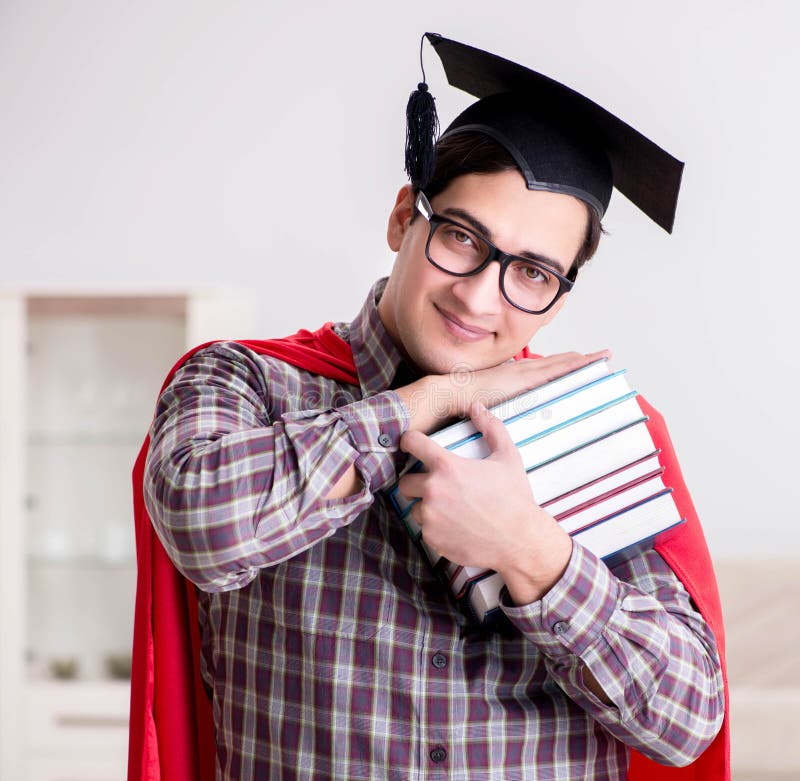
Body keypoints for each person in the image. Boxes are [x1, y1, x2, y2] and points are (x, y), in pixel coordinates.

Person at [130, 33, 728, 781]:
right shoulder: (245, 384)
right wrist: (436, 399)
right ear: (403, 218)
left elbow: (685, 721)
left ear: (560, 296)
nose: (478, 296)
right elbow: (205, 527)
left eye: (532, 273)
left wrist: (529, 549)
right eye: (461, 237)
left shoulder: (596, 429)